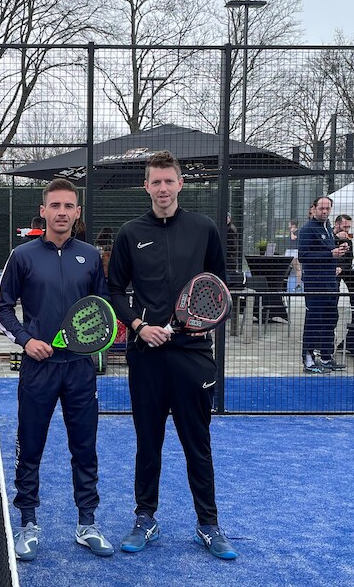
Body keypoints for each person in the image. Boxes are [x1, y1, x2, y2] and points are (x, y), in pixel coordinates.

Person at [105, 150, 238, 561]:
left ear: (181, 184)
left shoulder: (204, 229)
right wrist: (139, 327)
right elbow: (114, 291)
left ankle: (209, 524)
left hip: (193, 355)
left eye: (169, 181)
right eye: (155, 182)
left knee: (197, 442)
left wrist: (194, 325)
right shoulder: (129, 233)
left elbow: (219, 287)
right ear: (145, 187)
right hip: (146, 358)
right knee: (149, 442)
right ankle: (145, 518)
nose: (162, 188)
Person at [0, 178, 113, 562]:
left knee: (85, 448)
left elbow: (102, 310)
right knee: (30, 447)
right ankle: (28, 523)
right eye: (55, 206)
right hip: (38, 369)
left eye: (69, 206)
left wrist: (89, 344)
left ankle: (87, 523)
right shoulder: (23, 255)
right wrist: (26, 340)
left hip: (79, 371)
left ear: (78, 213)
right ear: (43, 211)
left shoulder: (91, 256)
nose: (62, 212)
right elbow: (1, 308)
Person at [297, 196, 349, 374]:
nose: (325, 212)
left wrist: (338, 252)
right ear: (314, 208)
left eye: (328, 209)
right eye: (321, 208)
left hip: (329, 282)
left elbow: (328, 252)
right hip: (315, 283)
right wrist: (330, 255)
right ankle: (308, 359)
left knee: (330, 318)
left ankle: (326, 356)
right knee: (314, 320)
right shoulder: (307, 229)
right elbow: (303, 256)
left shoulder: (327, 228)